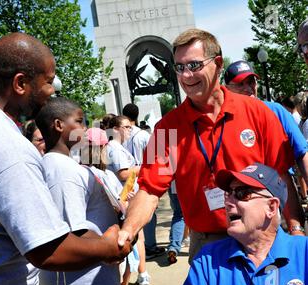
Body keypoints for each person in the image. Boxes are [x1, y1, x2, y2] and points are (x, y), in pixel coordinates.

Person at [0, 33, 131, 285]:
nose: (52, 91)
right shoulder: (6, 145)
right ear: (20, 83)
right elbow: (47, 249)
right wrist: (108, 248)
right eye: (48, 82)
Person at [118, 28, 304, 265]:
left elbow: (281, 177)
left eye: (194, 65)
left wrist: (296, 228)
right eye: (179, 67)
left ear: (217, 64)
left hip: (264, 238)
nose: (186, 75)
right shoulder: (165, 129)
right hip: (208, 246)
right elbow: (150, 189)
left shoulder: (259, 113)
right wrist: (128, 230)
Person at [35, 99, 122, 285]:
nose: (85, 128)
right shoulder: (62, 170)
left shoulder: (66, 165)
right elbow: (74, 231)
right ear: (59, 125)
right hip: (82, 284)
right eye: (80, 121)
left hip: (92, 276)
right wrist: (111, 248)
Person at [181, 162, 308, 285]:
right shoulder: (207, 261)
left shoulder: (304, 252)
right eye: (228, 194)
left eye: (242, 193)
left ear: (271, 207)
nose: (228, 202)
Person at [224, 60, 308, 206]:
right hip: (242, 198)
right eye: (240, 84)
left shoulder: (276, 110)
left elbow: (302, 153)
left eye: (251, 82)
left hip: (281, 191)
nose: (248, 88)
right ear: (227, 88)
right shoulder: (224, 119)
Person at [106, 115, 151, 285]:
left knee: (137, 236)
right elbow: (123, 174)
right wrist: (145, 166)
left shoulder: (118, 147)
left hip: (125, 197)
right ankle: (139, 275)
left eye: (130, 127)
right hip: (124, 199)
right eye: (126, 127)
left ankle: (139, 274)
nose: (129, 130)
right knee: (136, 237)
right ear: (116, 129)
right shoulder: (115, 148)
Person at [122, 103, 165, 260]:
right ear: (138, 115)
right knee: (149, 212)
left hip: (127, 179)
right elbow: (158, 157)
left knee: (129, 211)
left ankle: (134, 245)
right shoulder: (144, 136)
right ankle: (149, 246)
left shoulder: (121, 135)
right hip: (143, 176)